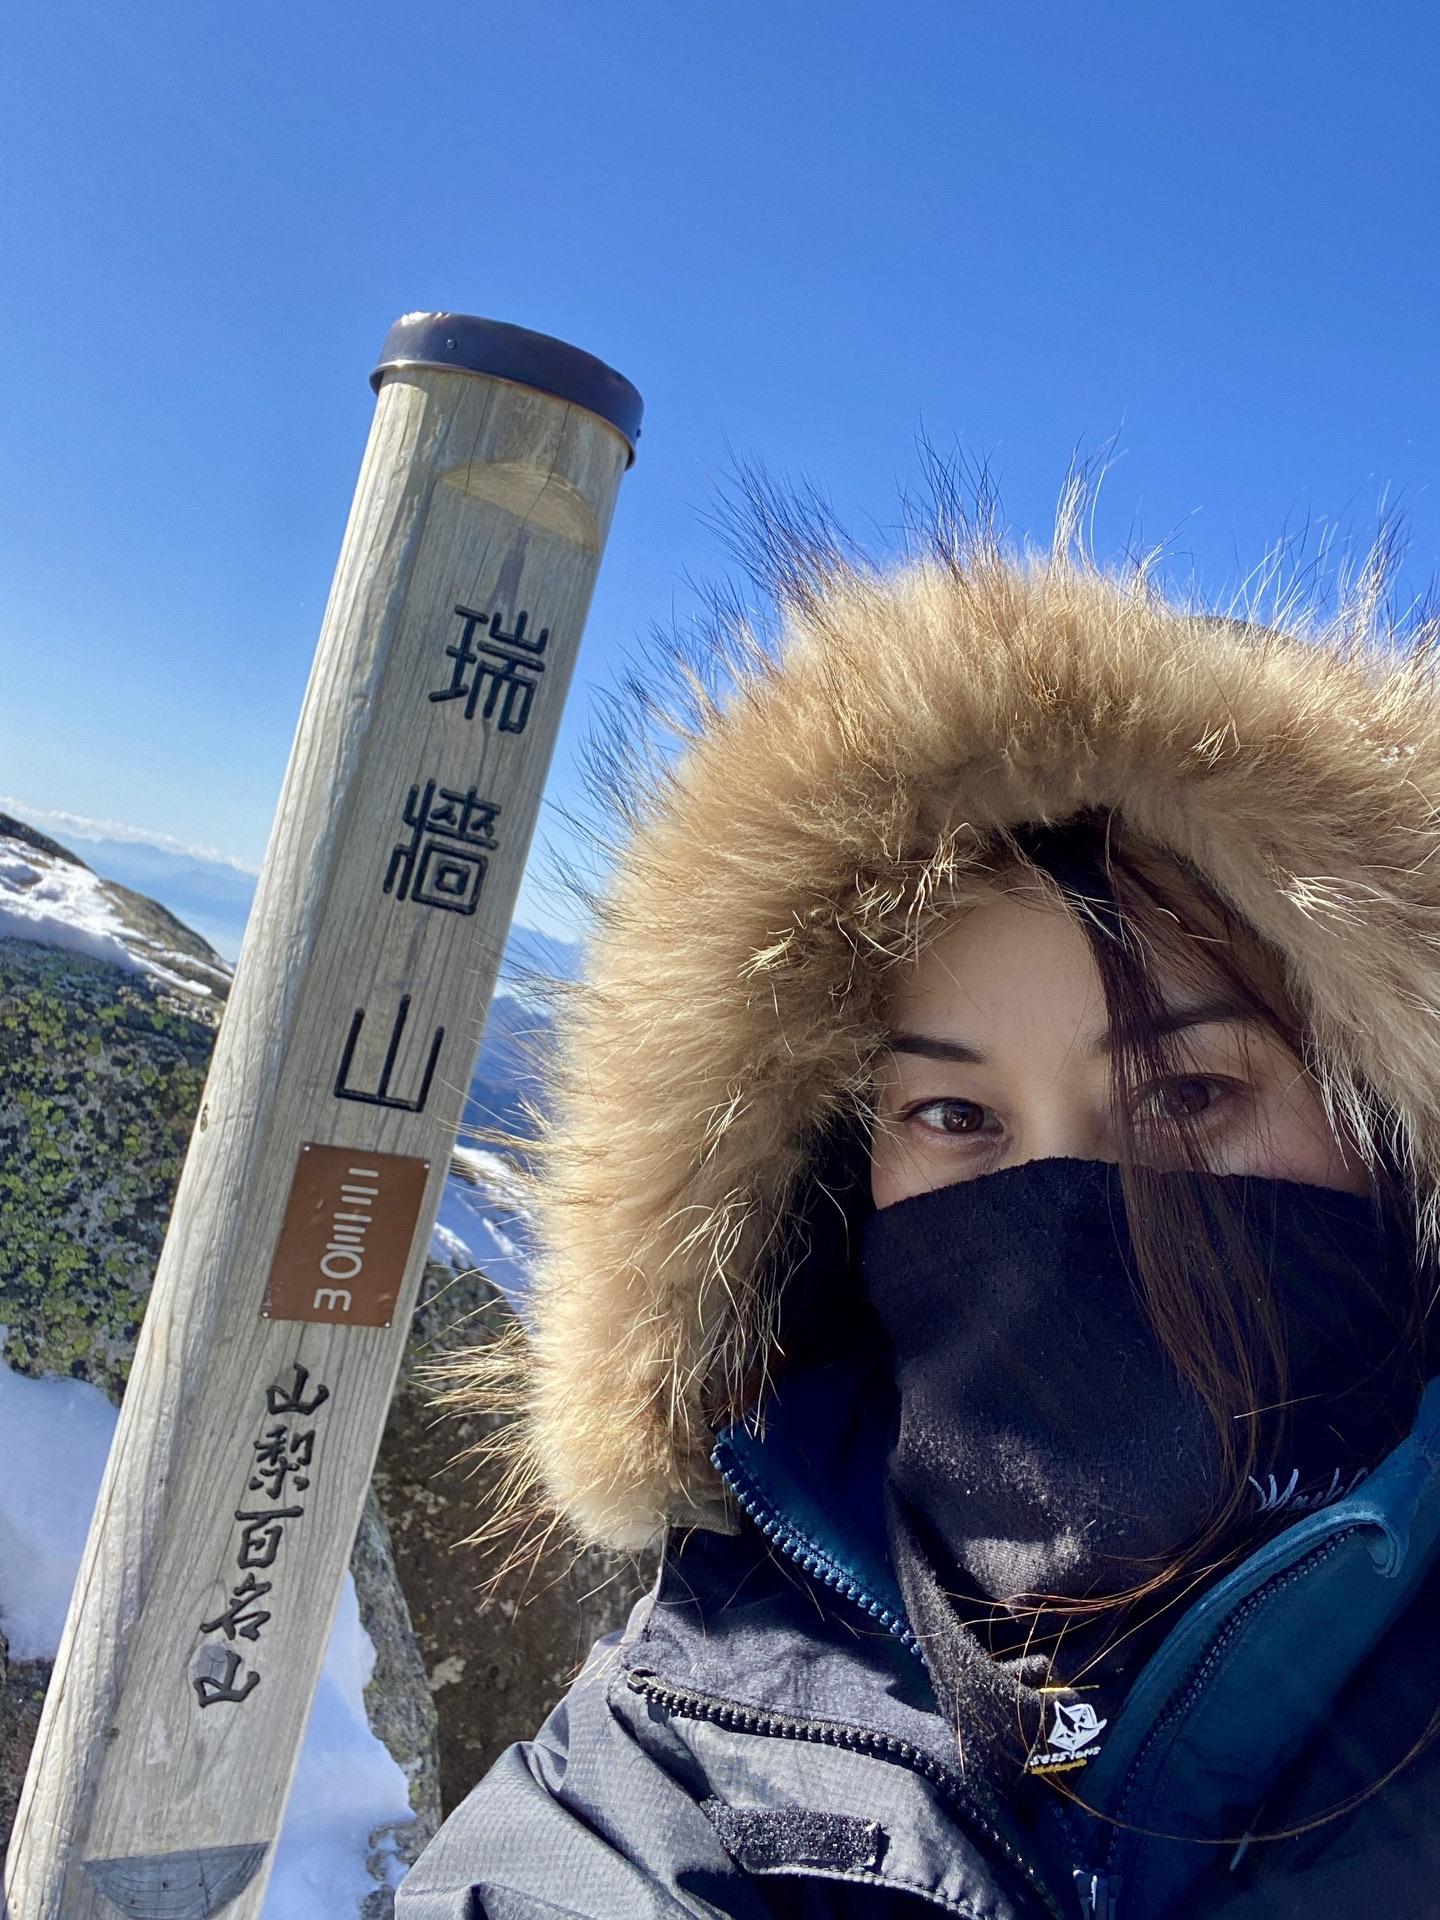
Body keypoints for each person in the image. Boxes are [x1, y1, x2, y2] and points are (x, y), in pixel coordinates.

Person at [397, 490, 1440, 1919]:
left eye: (1189, 1095)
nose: (1061, 1206)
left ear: (1392, 1121)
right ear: (843, 1179)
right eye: (953, 1116)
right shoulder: (699, 1715)